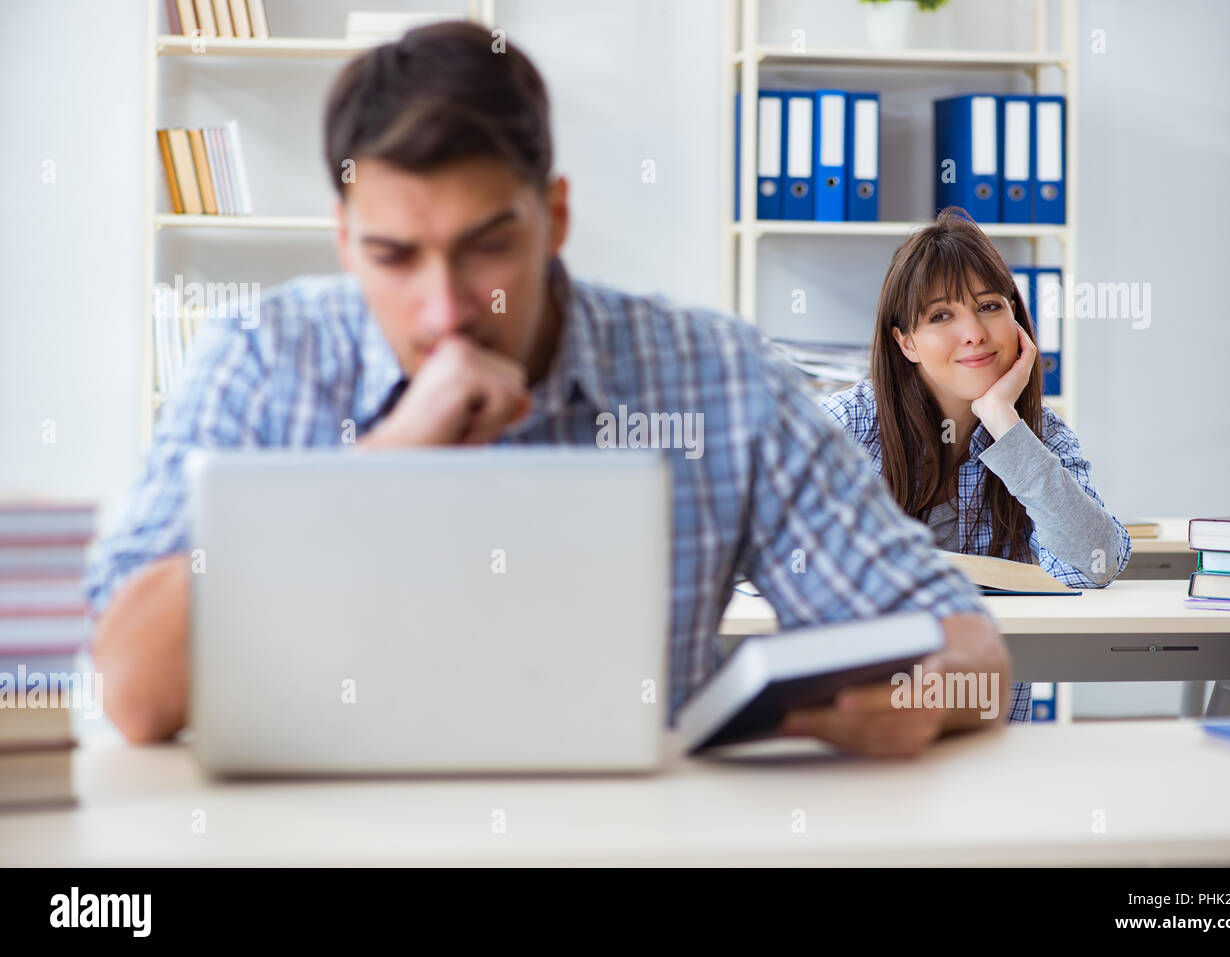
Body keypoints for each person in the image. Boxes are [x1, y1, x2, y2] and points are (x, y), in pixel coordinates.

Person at [86, 23, 1012, 754]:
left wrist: (924, 698)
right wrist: (386, 463)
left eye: (487, 244)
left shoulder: (718, 379)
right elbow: (133, 689)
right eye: (393, 255)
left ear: (555, 215)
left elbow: (978, 657)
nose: (445, 304)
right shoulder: (261, 355)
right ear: (342, 238)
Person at [821, 209, 1133, 721]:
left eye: (989, 307)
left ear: (1016, 320)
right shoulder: (846, 428)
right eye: (941, 316)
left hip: (992, 750)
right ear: (906, 342)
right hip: (863, 742)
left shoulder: (1039, 434)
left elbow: (1095, 564)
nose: (974, 334)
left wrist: (1003, 426)